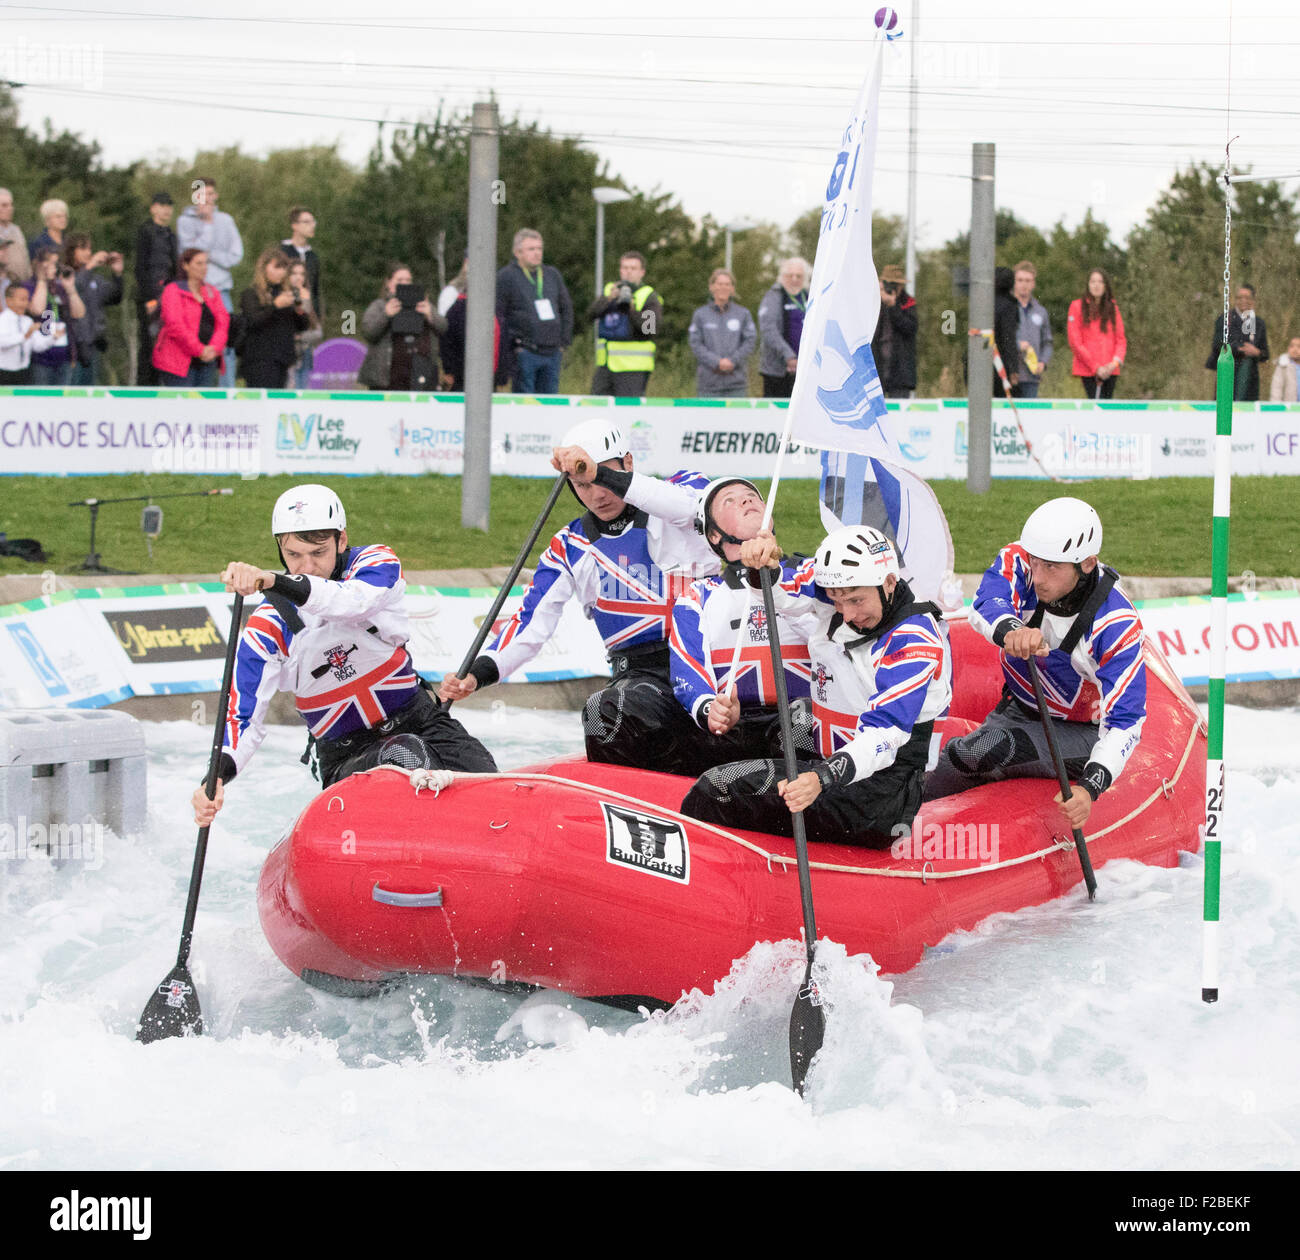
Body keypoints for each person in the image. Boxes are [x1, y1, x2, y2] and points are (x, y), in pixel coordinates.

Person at [191, 484, 496, 827]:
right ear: (280, 549)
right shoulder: (268, 628)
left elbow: (348, 602)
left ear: (341, 540)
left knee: (491, 786)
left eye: (319, 552)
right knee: (405, 754)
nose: (307, 567)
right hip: (346, 755)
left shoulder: (376, 564)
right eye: (294, 555)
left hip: (422, 720)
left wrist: (274, 580)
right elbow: (242, 720)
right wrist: (215, 777)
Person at [439, 419, 720, 775]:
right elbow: (530, 625)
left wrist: (600, 474)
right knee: (607, 710)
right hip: (641, 682)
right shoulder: (569, 544)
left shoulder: (682, 491)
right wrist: (477, 674)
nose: (597, 494)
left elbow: (695, 507)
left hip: (710, 662)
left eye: (605, 478)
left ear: (628, 463)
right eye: (583, 484)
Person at [680, 525, 951, 846]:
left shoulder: (913, 640)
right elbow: (779, 589)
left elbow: (885, 735)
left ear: (889, 582)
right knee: (774, 729)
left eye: (855, 601)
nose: (847, 614)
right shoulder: (839, 585)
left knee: (718, 786)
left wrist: (822, 778)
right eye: (837, 601)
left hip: (883, 786)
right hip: (831, 747)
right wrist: (763, 566)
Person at [923, 497, 1147, 831]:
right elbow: (985, 603)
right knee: (940, 765)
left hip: (1081, 735)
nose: (1038, 577)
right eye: (1035, 563)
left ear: (1087, 564)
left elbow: (1126, 720)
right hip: (1018, 709)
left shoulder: (1115, 623)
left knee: (985, 749)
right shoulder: (1020, 560)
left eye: (1051, 568)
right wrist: (1011, 629)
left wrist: (1092, 786)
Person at [668, 478, 819, 773]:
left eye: (752, 497)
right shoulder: (697, 596)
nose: (747, 501)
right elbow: (687, 667)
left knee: (802, 723)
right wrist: (711, 709)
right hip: (732, 732)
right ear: (713, 534)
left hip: (804, 723)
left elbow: (835, 642)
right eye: (731, 501)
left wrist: (773, 579)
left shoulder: (813, 573)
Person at [177, 178, 244, 388]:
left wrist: (209, 255)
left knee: (226, 342)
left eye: (210, 194)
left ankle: (228, 389)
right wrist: (206, 226)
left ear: (215, 196)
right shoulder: (185, 222)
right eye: (201, 195)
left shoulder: (226, 220)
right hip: (194, 291)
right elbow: (187, 255)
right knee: (194, 341)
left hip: (220, 289)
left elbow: (235, 256)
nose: (206, 199)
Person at [495, 228, 573, 394]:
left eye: (539, 249)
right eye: (531, 249)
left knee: (550, 403)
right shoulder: (506, 277)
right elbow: (499, 315)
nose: (537, 253)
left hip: (552, 351)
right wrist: (510, 349)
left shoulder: (552, 274)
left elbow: (566, 308)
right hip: (524, 351)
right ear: (518, 252)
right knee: (526, 404)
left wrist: (563, 342)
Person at [358, 262, 446, 391]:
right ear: (388, 283)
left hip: (420, 379)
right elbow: (368, 332)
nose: (404, 283)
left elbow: (443, 328)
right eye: (399, 280)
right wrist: (386, 314)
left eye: (408, 280)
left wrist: (430, 315)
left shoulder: (423, 304)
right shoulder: (379, 305)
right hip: (386, 381)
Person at [588, 250, 663, 397]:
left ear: (642, 272)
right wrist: (608, 299)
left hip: (633, 368)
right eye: (625, 268)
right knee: (597, 409)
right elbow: (591, 314)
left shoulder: (648, 296)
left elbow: (650, 330)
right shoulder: (610, 290)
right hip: (606, 366)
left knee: (627, 414)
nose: (628, 272)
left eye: (633, 268)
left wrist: (631, 309)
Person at [151, 248, 229, 387]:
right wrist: (199, 350)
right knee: (182, 405)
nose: (204, 268)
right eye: (199, 263)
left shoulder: (212, 292)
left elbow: (223, 322)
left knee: (204, 404)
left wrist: (214, 348)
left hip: (207, 361)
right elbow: (175, 325)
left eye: (206, 264)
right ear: (185, 265)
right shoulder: (173, 290)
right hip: (177, 362)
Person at [237, 247, 310, 388]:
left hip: (283, 359)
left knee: (278, 403)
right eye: (276, 267)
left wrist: (299, 307)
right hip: (259, 359)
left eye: (283, 268)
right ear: (264, 268)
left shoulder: (288, 293)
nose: (281, 272)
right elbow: (253, 321)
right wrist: (275, 306)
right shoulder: (251, 293)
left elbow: (303, 325)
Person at [64, 233, 124, 386]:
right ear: (71, 251)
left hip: (93, 344)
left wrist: (117, 274)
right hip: (72, 346)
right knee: (72, 391)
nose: (88, 253)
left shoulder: (94, 278)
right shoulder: (63, 273)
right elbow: (74, 288)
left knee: (89, 392)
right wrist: (90, 266)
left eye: (90, 249)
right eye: (83, 248)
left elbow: (114, 297)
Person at [688, 269, 757, 398]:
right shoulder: (700, 314)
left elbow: (750, 341)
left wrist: (733, 361)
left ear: (732, 288)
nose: (723, 287)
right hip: (708, 385)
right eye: (720, 284)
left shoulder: (743, 314)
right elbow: (695, 343)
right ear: (711, 287)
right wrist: (716, 362)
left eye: (727, 284)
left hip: (736, 385)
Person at [134, 191, 178, 386]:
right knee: (148, 342)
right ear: (153, 208)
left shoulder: (171, 235)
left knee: (166, 343)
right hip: (150, 296)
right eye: (162, 205)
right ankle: (145, 387)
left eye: (169, 206)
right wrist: (149, 298)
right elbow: (140, 268)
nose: (166, 210)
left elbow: (174, 268)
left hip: (168, 298)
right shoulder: (145, 232)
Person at [25, 247, 84, 385]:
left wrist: (70, 289)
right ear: (38, 263)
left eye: (55, 263)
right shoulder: (29, 286)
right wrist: (41, 280)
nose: (53, 268)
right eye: (49, 263)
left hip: (64, 355)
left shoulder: (59, 287)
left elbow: (79, 313)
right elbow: (37, 310)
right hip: (40, 357)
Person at [438, 266, 500, 391]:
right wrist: (449, 371)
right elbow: (447, 342)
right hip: (463, 378)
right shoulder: (457, 310)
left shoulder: (495, 307)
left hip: (490, 377)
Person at [1067, 269, 1126, 399]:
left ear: (1106, 285)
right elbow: (1075, 342)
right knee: (1096, 406)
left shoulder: (1113, 308)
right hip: (1089, 370)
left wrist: (1113, 364)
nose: (1096, 285)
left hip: (1111, 370)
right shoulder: (1077, 307)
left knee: (1107, 408)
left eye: (1100, 281)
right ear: (1088, 285)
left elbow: (1121, 340)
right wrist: (1096, 368)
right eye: (1093, 281)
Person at [1206, 283, 1270, 402]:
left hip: (1250, 378)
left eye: (1247, 298)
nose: (1243, 301)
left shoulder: (1259, 323)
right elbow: (1217, 344)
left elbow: (1265, 354)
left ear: (1253, 300)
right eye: (1240, 298)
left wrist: (1256, 352)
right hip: (1228, 371)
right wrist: (1239, 349)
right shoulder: (1225, 319)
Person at [281, 206, 322, 387]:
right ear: (294, 225)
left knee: (304, 372)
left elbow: (316, 291)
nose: (312, 226)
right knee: (288, 375)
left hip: (307, 317)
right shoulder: (282, 252)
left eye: (313, 222)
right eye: (306, 222)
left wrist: (317, 319)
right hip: (286, 319)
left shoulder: (313, 257)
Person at [758, 257, 810, 398]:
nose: (794, 279)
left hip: (806, 369)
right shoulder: (773, 296)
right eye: (790, 275)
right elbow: (769, 329)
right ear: (782, 276)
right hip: (777, 370)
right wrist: (789, 356)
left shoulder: (809, 295)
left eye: (799, 276)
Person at [871, 263, 918, 398]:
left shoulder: (908, 303)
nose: (892, 287)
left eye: (896, 284)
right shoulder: (875, 302)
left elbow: (910, 328)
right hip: (877, 369)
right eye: (889, 283)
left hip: (899, 373)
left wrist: (893, 306)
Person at [0, 281, 59, 384]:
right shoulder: (3, 320)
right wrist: (25, 336)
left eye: (27, 299)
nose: (26, 303)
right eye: (22, 299)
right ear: (9, 301)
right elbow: (3, 342)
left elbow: (37, 345)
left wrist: (53, 338)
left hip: (24, 371)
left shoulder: (27, 321)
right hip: (4, 372)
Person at [1012, 260, 1052, 398]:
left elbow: (1047, 342)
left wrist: (1043, 362)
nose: (1024, 284)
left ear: (1033, 283)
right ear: (1014, 282)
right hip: (1011, 374)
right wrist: (1017, 345)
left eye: (1028, 280)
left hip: (1031, 377)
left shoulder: (1041, 311)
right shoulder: (1006, 308)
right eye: (1020, 280)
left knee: (1028, 417)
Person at [286, 259, 322, 388]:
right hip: (288, 356)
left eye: (302, 274)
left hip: (305, 355)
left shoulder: (307, 297)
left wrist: (305, 300)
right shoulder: (283, 298)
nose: (298, 277)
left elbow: (317, 332)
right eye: (294, 273)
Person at [992, 265, 1020, 398]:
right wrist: (1014, 368)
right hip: (999, 363)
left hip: (976, 361)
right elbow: (1008, 338)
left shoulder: (982, 302)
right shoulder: (1009, 306)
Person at [0, 189, 32, 284]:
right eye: (4, 205)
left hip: (22, 284)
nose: (10, 208)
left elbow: (25, 258)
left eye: (11, 205)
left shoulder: (16, 230)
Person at [1268, 335, 1300, 402]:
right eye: (1292, 346)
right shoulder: (1283, 365)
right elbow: (1276, 388)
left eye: (1299, 346)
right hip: (1289, 407)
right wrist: (1276, 406)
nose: (1295, 349)